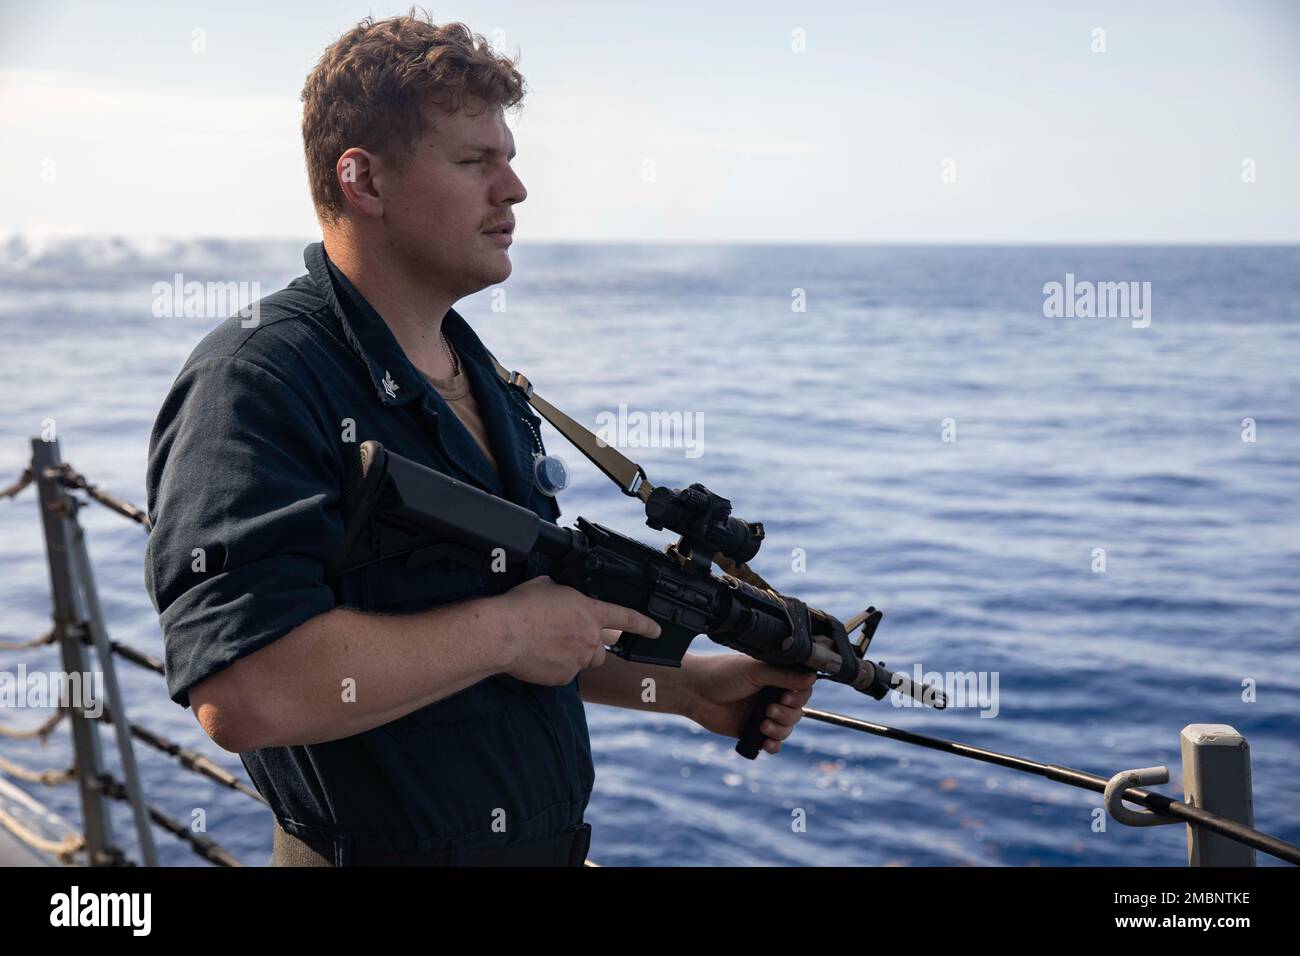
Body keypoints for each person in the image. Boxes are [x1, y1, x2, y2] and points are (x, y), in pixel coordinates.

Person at [144, 12, 817, 867]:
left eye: (509, 158)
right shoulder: (257, 378)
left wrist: (686, 690)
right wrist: (505, 632)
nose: (515, 190)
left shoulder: (490, 382)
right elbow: (245, 690)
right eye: (475, 161)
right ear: (365, 181)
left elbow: (519, 635)